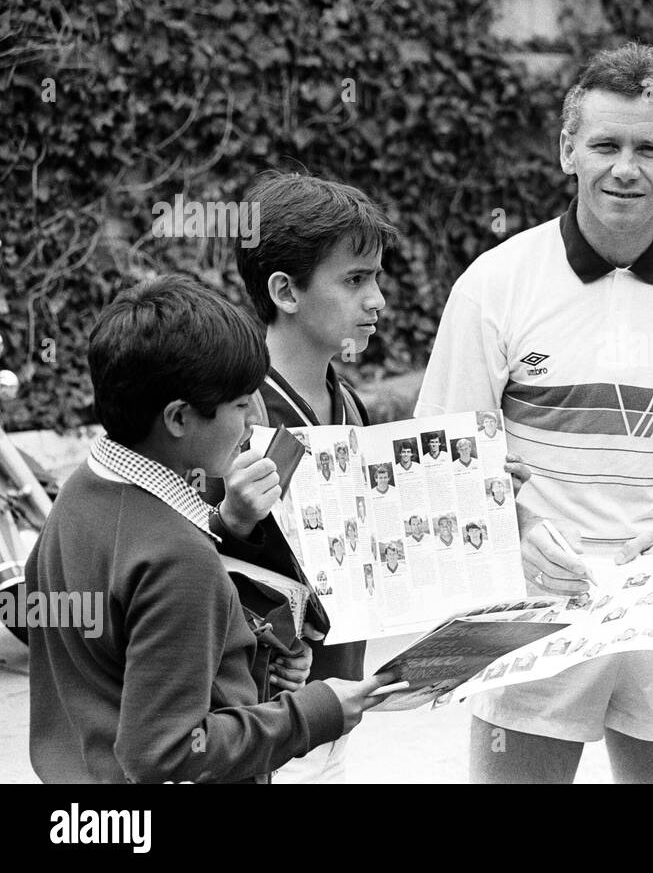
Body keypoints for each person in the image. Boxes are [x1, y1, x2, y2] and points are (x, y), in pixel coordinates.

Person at [416, 42, 653, 784]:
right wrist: (521, 532)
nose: (626, 167)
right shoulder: (493, 284)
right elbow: (444, 452)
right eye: (605, 144)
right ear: (568, 150)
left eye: (649, 146)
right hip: (531, 608)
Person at [25, 276, 390, 783]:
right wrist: (315, 711)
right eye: (241, 407)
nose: (248, 427)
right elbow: (165, 751)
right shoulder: (177, 557)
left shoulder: (79, 494)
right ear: (178, 418)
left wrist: (249, 656)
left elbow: (101, 641)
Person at [232, 171, 395, 783]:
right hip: (266, 725)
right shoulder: (237, 414)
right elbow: (194, 562)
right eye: (355, 280)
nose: (377, 299)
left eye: (376, 277)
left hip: (338, 704)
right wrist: (270, 641)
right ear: (285, 291)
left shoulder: (348, 401)